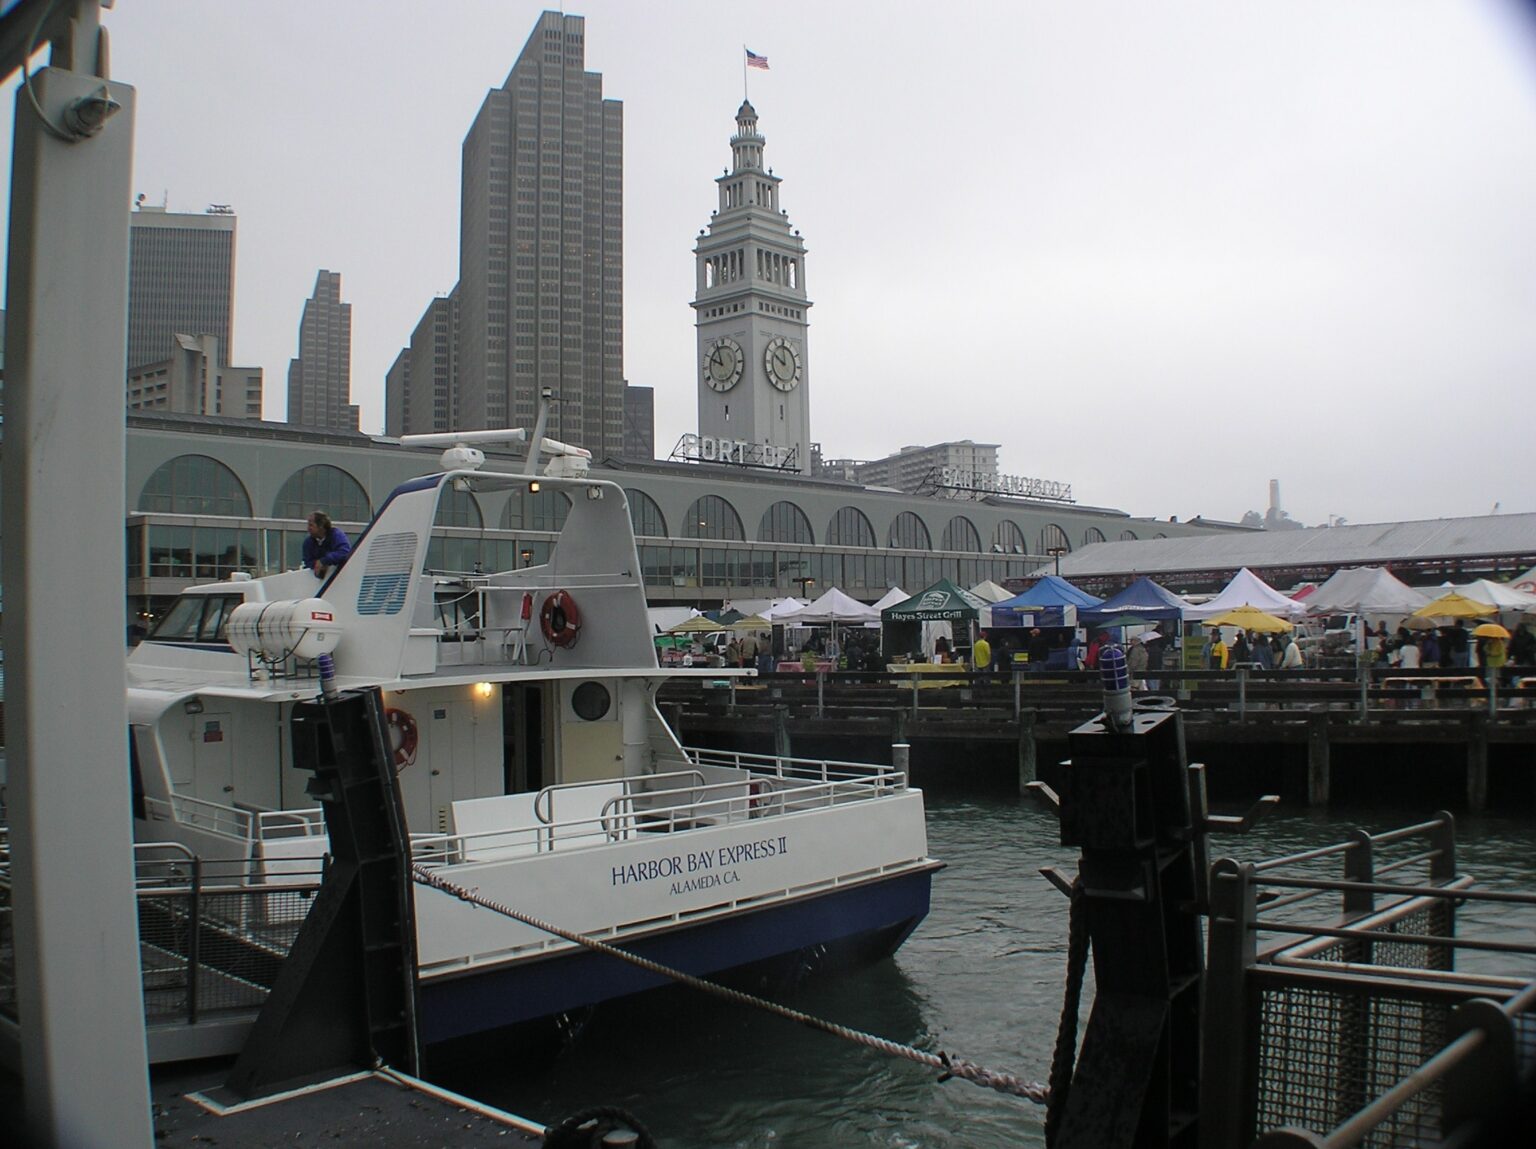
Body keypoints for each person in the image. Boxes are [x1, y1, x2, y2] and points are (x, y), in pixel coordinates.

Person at [303, 510, 351, 579]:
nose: (308, 528)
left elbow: (344, 552)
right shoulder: (308, 542)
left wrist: (324, 561)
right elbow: (307, 562)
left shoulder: (336, 535)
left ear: (321, 525)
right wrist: (316, 565)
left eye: (311, 525)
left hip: (341, 577)